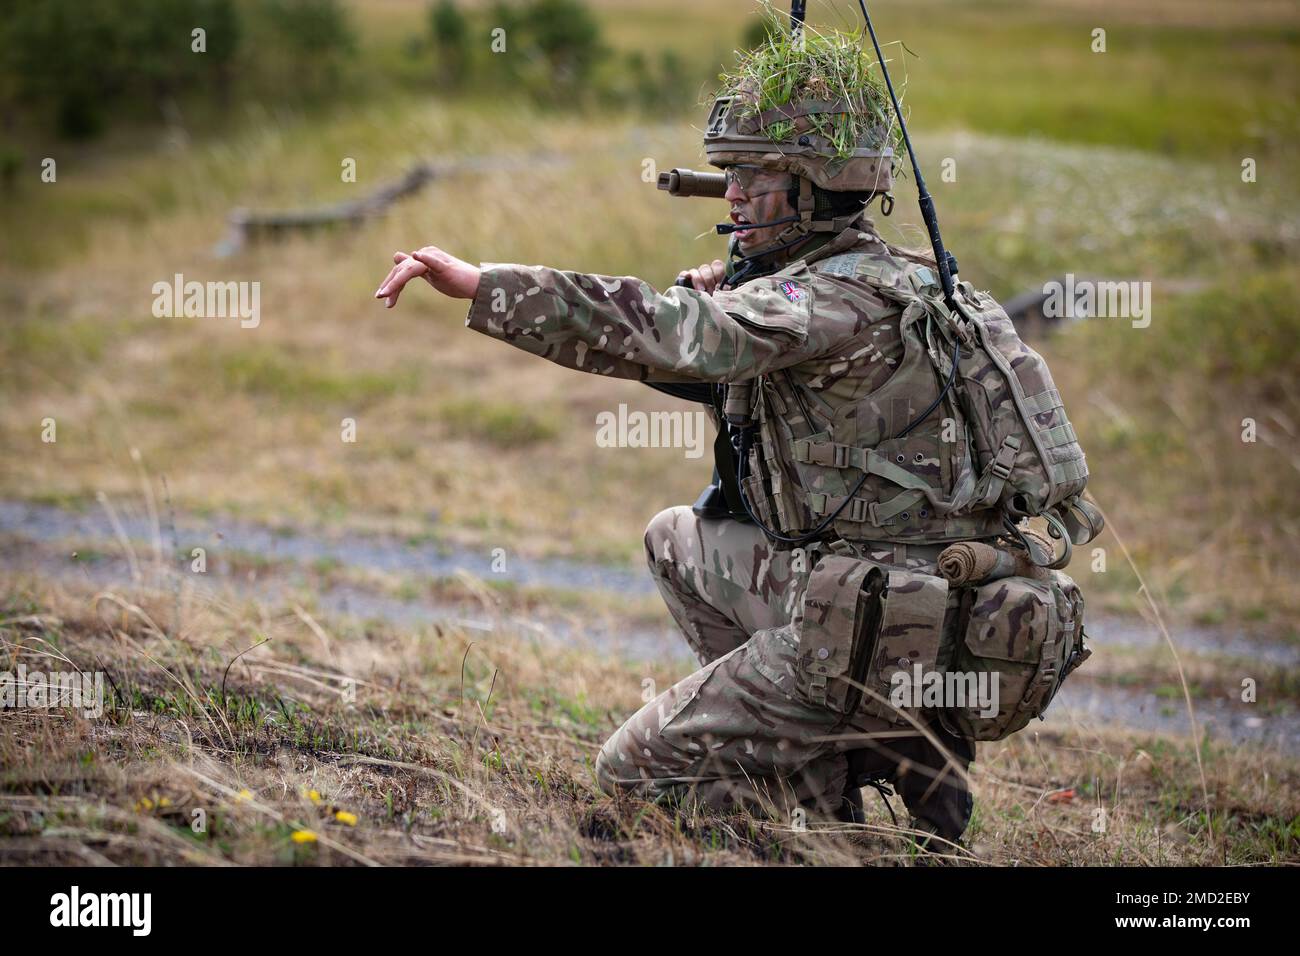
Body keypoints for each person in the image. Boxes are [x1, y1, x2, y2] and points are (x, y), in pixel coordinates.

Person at [374, 65, 1000, 849]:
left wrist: (485, 287)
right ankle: (842, 765)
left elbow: (661, 333)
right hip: (929, 617)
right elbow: (721, 376)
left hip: (870, 630)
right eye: (728, 174)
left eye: (752, 177)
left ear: (811, 188)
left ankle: (834, 802)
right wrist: (728, 296)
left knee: (630, 773)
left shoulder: (815, 304)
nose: (730, 195)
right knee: (679, 537)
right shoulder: (908, 282)